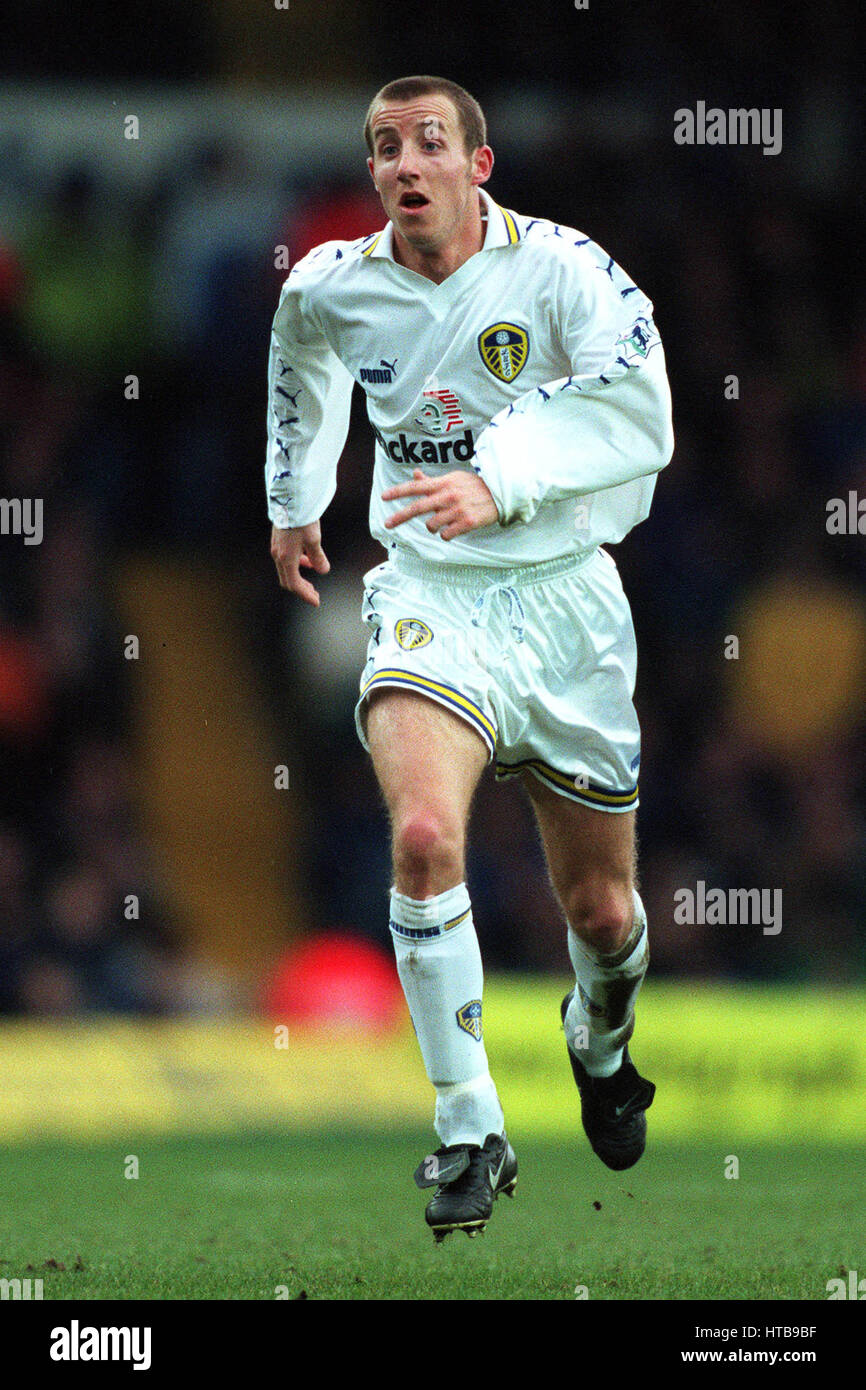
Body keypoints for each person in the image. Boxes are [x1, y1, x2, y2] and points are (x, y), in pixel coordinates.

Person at [267, 75, 674, 1242]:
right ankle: (467, 1126)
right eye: (383, 146)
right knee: (423, 837)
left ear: (475, 166)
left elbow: (643, 413)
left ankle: (598, 1040)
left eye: (427, 141)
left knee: (600, 913)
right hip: (429, 594)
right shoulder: (332, 283)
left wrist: (503, 481)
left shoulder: (562, 270)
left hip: (563, 604)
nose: (402, 161)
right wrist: (294, 502)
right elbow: (300, 363)